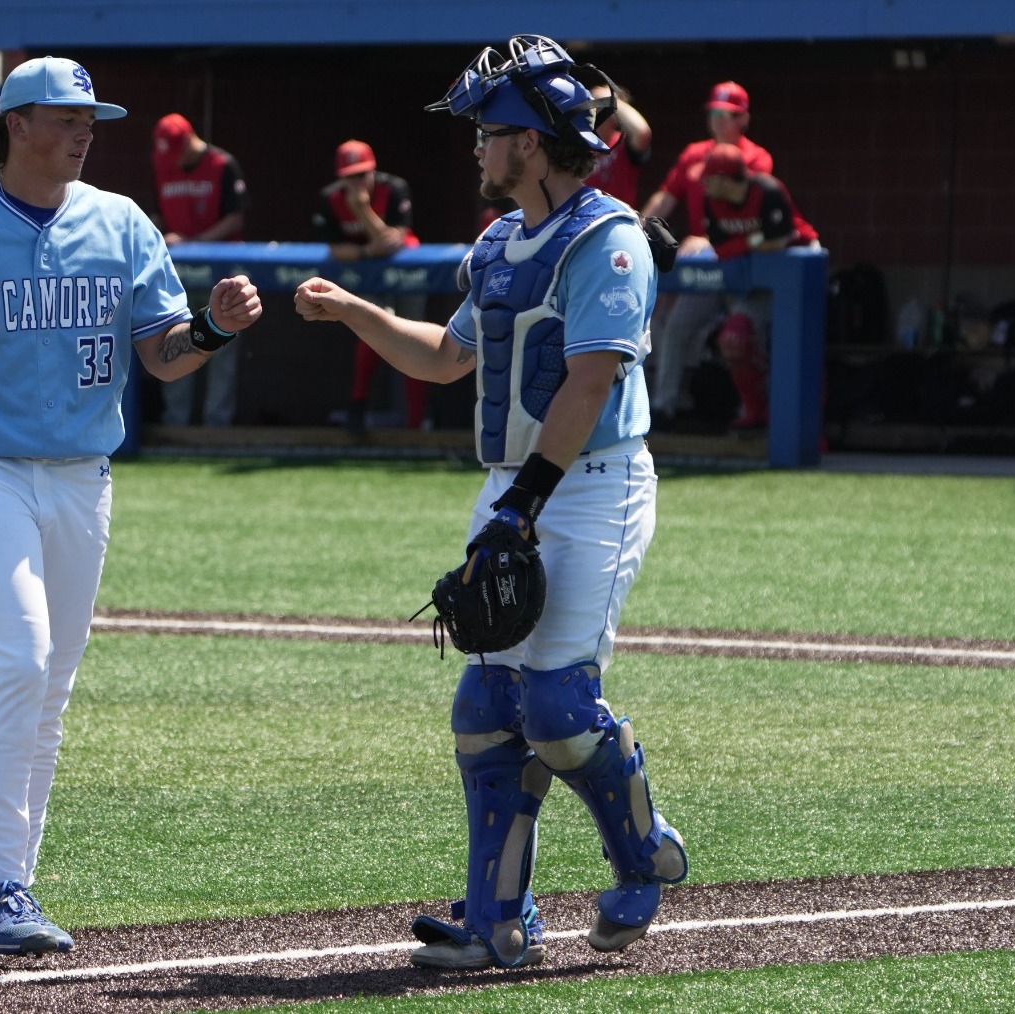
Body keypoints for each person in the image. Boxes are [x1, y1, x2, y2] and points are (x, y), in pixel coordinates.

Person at [0, 56, 262, 956]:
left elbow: (163, 356)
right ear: (17, 124)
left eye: (90, 120)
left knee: (52, 682)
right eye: (67, 118)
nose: (84, 132)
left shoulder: (120, 222)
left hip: (81, 474)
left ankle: (17, 885)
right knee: (20, 657)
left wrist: (214, 328)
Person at [294, 34, 685, 971]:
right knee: (484, 704)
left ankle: (642, 853)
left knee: (555, 708)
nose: (477, 146)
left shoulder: (608, 239)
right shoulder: (500, 241)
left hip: (590, 486)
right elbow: (445, 356)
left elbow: (589, 382)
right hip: (515, 486)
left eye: (489, 131)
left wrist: (523, 505)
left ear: (532, 141)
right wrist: (354, 311)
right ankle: (496, 922)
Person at [638, 81, 774, 427]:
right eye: (714, 113)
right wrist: (634, 230)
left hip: (742, 268)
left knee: (743, 336)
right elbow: (665, 198)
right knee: (668, 322)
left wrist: (711, 241)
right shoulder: (694, 154)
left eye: (727, 114)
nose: (719, 120)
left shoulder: (756, 158)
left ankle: (753, 413)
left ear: (743, 119)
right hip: (702, 267)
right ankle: (666, 406)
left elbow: (754, 219)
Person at [697, 143, 820, 431]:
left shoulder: (768, 190)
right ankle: (755, 413)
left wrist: (745, 245)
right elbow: (721, 249)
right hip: (752, 281)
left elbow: (780, 240)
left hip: (795, 276)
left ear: (724, 178)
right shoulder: (711, 202)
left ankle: (806, 427)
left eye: (710, 178)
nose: (705, 184)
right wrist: (754, 241)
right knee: (733, 339)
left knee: (798, 350)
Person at [313, 139, 430, 435]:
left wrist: (363, 210)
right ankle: (358, 404)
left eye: (362, 174)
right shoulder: (330, 197)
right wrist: (366, 252)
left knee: (416, 341)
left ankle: (416, 424)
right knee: (373, 332)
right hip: (368, 276)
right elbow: (336, 250)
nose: (357, 182)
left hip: (406, 273)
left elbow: (392, 242)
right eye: (350, 176)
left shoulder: (394, 188)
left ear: (373, 170)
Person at [150, 112, 249, 427]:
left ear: (189, 140)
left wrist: (194, 242)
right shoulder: (163, 164)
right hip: (177, 272)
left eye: (175, 152)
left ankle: (216, 425)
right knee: (177, 341)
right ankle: (175, 424)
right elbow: (157, 215)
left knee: (221, 346)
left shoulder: (222, 164)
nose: (172, 161)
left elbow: (235, 218)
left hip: (221, 272)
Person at [582, 76, 652, 207]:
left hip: (616, 216)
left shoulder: (622, 143)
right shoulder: (580, 145)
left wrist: (612, 101)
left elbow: (642, 132)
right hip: (582, 216)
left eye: (600, 106)